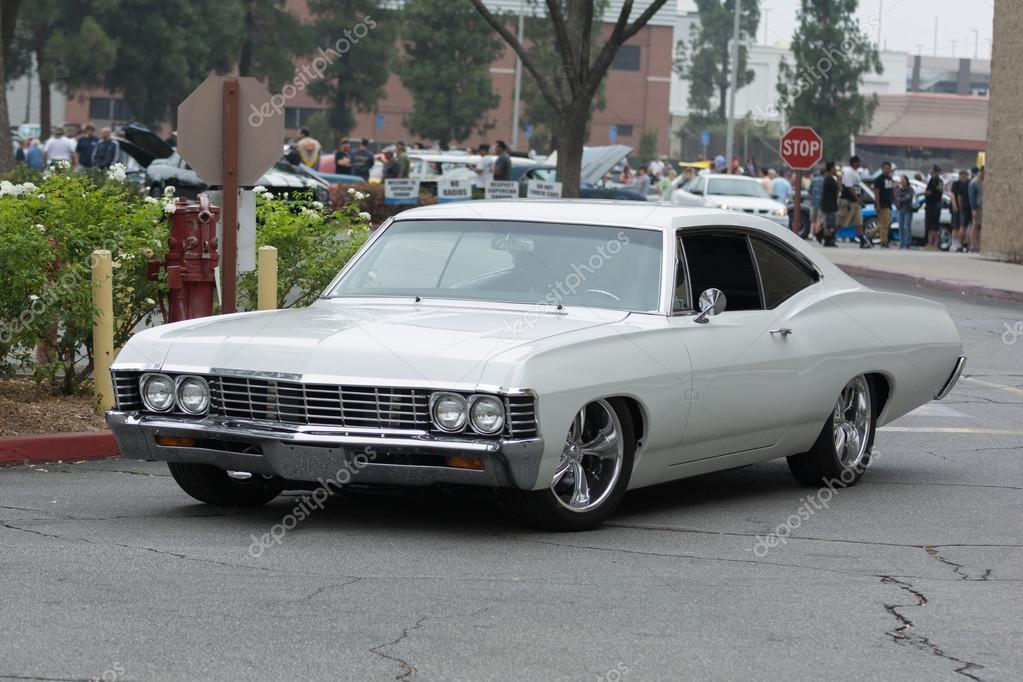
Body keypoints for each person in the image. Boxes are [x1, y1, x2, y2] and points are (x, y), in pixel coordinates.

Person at [839, 155, 869, 248]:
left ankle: (862, 241)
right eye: (858, 162)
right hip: (848, 201)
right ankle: (827, 235)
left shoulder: (855, 173)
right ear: (854, 163)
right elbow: (849, 187)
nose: (860, 163)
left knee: (858, 222)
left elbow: (857, 188)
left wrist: (859, 199)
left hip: (855, 202)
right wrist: (857, 198)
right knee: (841, 221)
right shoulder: (849, 172)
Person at [872, 161, 895, 248]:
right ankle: (883, 242)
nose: (887, 170)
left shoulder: (890, 179)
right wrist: (878, 205)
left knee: (886, 223)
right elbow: (876, 193)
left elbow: (891, 191)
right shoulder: (878, 180)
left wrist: (895, 201)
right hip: (881, 205)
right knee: (884, 225)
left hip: (888, 204)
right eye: (885, 168)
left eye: (888, 168)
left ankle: (870, 234)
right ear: (881, 169)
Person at [950, 169, 972, 253]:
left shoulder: (968, 183)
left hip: (965, 209)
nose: (963, 176)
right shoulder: (956, 183)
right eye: (961, 174)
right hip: (958, 208)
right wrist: (955, 206)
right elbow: (953, 195)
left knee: (963, 227)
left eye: (965, 174)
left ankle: (962, 243)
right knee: (956, 226)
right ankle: (954, 243)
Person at [923, 164, 944, 250]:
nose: (929, 170)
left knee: (930, 226)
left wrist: (920, 194)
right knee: (936, 225)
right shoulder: (940, 181)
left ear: (934, 171)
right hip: (938, 204)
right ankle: (935, 245)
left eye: (931, 169)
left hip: (931, 205)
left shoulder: (933, 179)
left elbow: (930, 192)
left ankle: (930, 244)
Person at [820, 161, 840, 247]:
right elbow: (838, 190)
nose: (835, 169)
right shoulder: (830, 179)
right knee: (830, 224)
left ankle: (826, 238)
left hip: (828, 204)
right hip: (829, 205)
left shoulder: (827, 178)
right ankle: (828, 240)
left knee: (829, 223)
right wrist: (839, 178)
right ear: (831, 168)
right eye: (834, 168)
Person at [895, 175, 915, 249]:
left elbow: (908, 198)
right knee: (900, 227)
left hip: (908, 210)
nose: (902, 182)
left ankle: (908, 243)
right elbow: (896, 198)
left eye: (903, 180)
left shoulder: (910, 189)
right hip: (900, 210)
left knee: (907, 227)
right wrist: (899, 201)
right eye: (901, 180)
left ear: (907, 181)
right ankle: (901, 243)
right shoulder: (899, 190)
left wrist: (900, 200)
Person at [968, 166, 984, 253]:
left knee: (980, 227)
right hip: (977, 208)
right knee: (975, 226)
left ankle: (979, 244)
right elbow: (972, 197)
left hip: (982, 207)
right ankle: (973, 245)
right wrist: (973, 209)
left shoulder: (983, 181)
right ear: (980, 171)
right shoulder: (974, 182)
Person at [808, 167, 825, 239]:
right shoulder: (825, 180)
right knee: (819, 219)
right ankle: (816, 234)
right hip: (822, 202)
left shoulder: (814, 180)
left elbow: (809, 191)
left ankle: (811, 233)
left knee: (812, 219)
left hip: (814, 202)